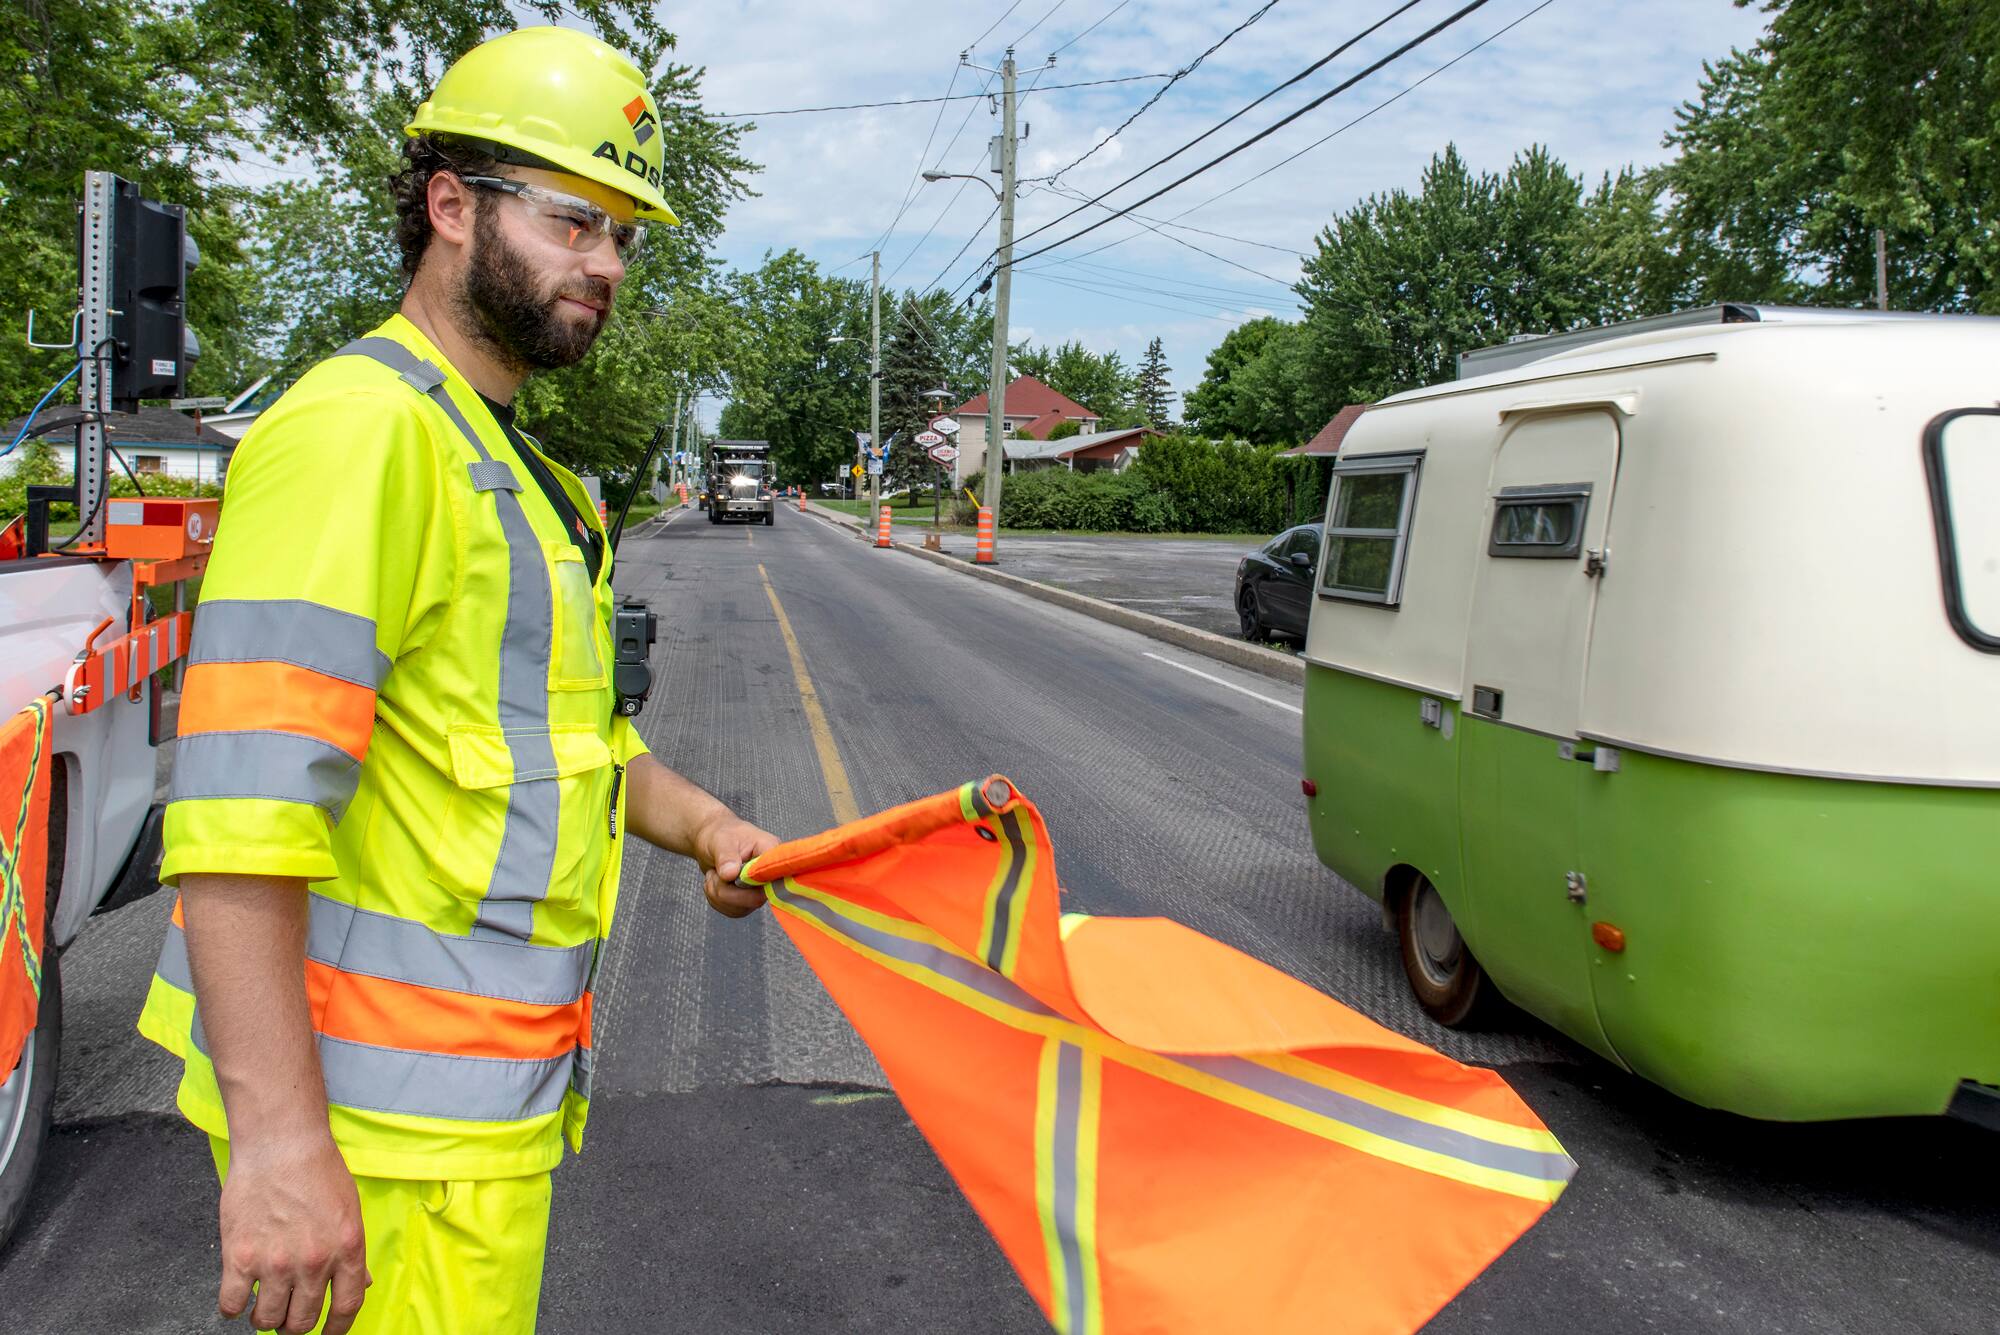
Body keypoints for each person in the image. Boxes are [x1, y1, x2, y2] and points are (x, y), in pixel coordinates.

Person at [135, 27, 775, 1335]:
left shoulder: (489, 455)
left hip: (464, 1144)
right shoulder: (360, 436)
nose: (602, 264)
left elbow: (569, 747)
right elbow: (238, 826)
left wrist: (708, 827)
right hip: (372, 1163)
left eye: (622, 237)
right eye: (570, 221)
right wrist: (278, 1152)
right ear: (449, 205)